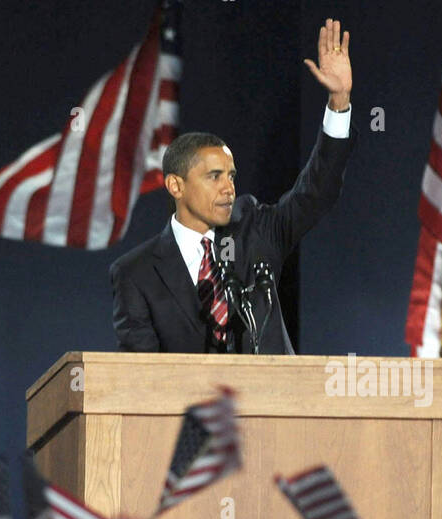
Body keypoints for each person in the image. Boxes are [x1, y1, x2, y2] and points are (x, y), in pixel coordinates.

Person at [111, 19, 354, 354]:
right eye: (214, 176)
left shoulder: (256, 230)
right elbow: (141, 375)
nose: (229, 188)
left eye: (231, 175)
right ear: (175, 185)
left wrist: (339, 101)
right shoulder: (136, 274)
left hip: (275, 403)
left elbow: (316, 193)